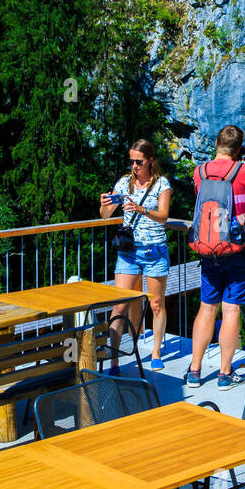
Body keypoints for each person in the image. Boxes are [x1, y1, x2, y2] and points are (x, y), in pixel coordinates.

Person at [186, 125, 245, 389]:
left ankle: (194, 371)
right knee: (230, 310)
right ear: (239, 149)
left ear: (216, 144)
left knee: (207, 308)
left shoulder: (200, 171)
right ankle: (224, 375)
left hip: (208, 247)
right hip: (238, 247)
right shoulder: (243, 171)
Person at [99, 139, 172, 371]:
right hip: (128, 252)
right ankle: (113, 359)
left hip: (154, 250)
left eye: (138, 161)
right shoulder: (123, 183)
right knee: (119, 306)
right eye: (131, 161)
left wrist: (141, 209)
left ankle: (156, 352)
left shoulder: (162, 185)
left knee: (156, 304)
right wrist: (105, 205)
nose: (134, 166)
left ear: (150, 160)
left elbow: (163, 216)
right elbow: (105, 215)